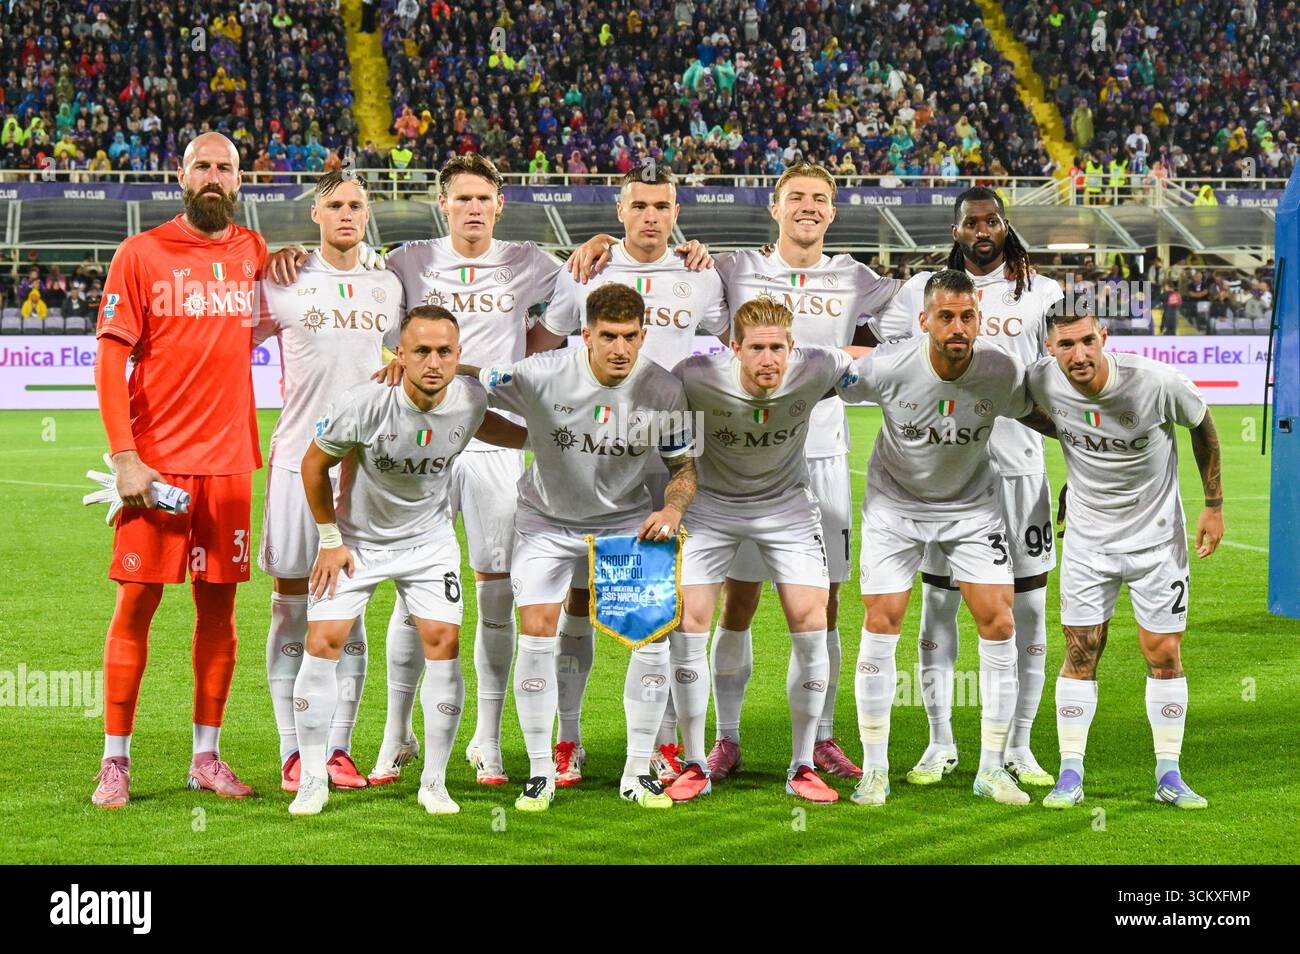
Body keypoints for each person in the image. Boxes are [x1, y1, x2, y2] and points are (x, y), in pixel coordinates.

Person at [566, 161, 901, 784]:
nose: (808, 206)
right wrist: (600, 244)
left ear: (833, 210)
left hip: (814, 459)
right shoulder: (732, 267)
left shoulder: (855, 275)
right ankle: (714, 740)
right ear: (774, 207)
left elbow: (906, 334)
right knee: (729, 606)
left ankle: (820, 739)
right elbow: (654, 254)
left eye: (820, 198)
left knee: (823, 605)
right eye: (795, 196)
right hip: (719, 461)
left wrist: (832, 362)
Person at [531, 164, 728, 786]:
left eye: (662, 206)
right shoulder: (588, 268)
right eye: (639, 205)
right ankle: (567, 739)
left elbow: (726, 338)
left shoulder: (700, 274)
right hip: (592, 465)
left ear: (677, 211)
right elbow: (552, 335)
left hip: (667, 462)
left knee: (657, 611)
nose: (651, 216)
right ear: (620, 211)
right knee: (580, 602)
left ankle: (661, 745)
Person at [470, 282, 699, 812]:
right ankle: (540, 771)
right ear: (585, 335)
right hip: (545, 522)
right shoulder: (539, 373)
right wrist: (529, 438)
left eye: (631, 337)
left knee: (652, 641)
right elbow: (471, 382)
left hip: (623, 521)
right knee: (536, 634)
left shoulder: (664, 390)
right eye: (608, 337)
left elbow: (684, 468)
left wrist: (672, 509)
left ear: (643, 335)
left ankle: (638, 770)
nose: (621, 349)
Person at [289, 306, 525, 816]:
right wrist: (330, 539)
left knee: (444, 642)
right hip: (357, 542)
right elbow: (314, 463)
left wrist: (549, 440)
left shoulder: (469, 399)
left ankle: (435, 783)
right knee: (322, 641)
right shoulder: (364, 403)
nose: (433, 362)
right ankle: (311, 779)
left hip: (428, 543)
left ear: (459, 356)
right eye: (421, 351)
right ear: (400, 354)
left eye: (445, 352)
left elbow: (495, 429)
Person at [91, 132, 267, 808]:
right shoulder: (141, 254)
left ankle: (206, 757)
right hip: (157, 467)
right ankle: (115, 761)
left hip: (229, 466)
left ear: (240, 181)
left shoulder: (255, 255)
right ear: (182, 176)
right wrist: (124, 455)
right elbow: (110, 360)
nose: (214, 177)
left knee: (218, 614)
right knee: (136, 604)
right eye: (203, 166)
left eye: (225, 167)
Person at [837, 269, 1058, 807]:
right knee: (882, 621)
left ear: (978, 320)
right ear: (924, 320)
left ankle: (991, 769)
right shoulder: (888, 365)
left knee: (1000, 620)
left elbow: (1044, 415)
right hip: (895, 509)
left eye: (967, 316)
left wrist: (1101, 439)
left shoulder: (999, 370)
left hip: (972, 509)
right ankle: (876, 769)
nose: (958, 327)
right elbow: (823, 382)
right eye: (946, 316)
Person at [667, 298, 867, 805]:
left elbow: (882, 368)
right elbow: (650, 416)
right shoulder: (694, 376)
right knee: (691, 623)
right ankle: (698, 760)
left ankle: (803, 763)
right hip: (712, 508)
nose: (768, 360)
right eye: (756, 348)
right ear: (734, 348)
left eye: (778, 347)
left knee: (811, 620)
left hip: (787, 508)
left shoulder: (817, 366)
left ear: (791, 347)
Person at [1029, 308, 1222, 810]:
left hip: (1157, 542)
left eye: (1087, 341)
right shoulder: (1041, 381)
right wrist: (1069, 435)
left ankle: (1169, 773)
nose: (1079, 354)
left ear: (1104, 338)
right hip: (1088, 544)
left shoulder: (1155, 382)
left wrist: (1215, 506)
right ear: (1050, 349)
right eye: (1066, 345)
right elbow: (1013, 407)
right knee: (1079, 654)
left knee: (1163, 653)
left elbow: (1202, 425)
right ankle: (1070, 774)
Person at [252, 171, 403, 793]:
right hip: (296, 461)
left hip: (363, 467)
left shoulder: (388, 284)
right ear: (315, 214)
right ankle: (293, 751)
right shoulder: (282, 282)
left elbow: (410, 352)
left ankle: (338, 748)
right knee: (291, 610)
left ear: (368, 213)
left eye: (357, 206)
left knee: (352, 610)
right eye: (335, 205)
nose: (347, 214)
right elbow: (225, 347)